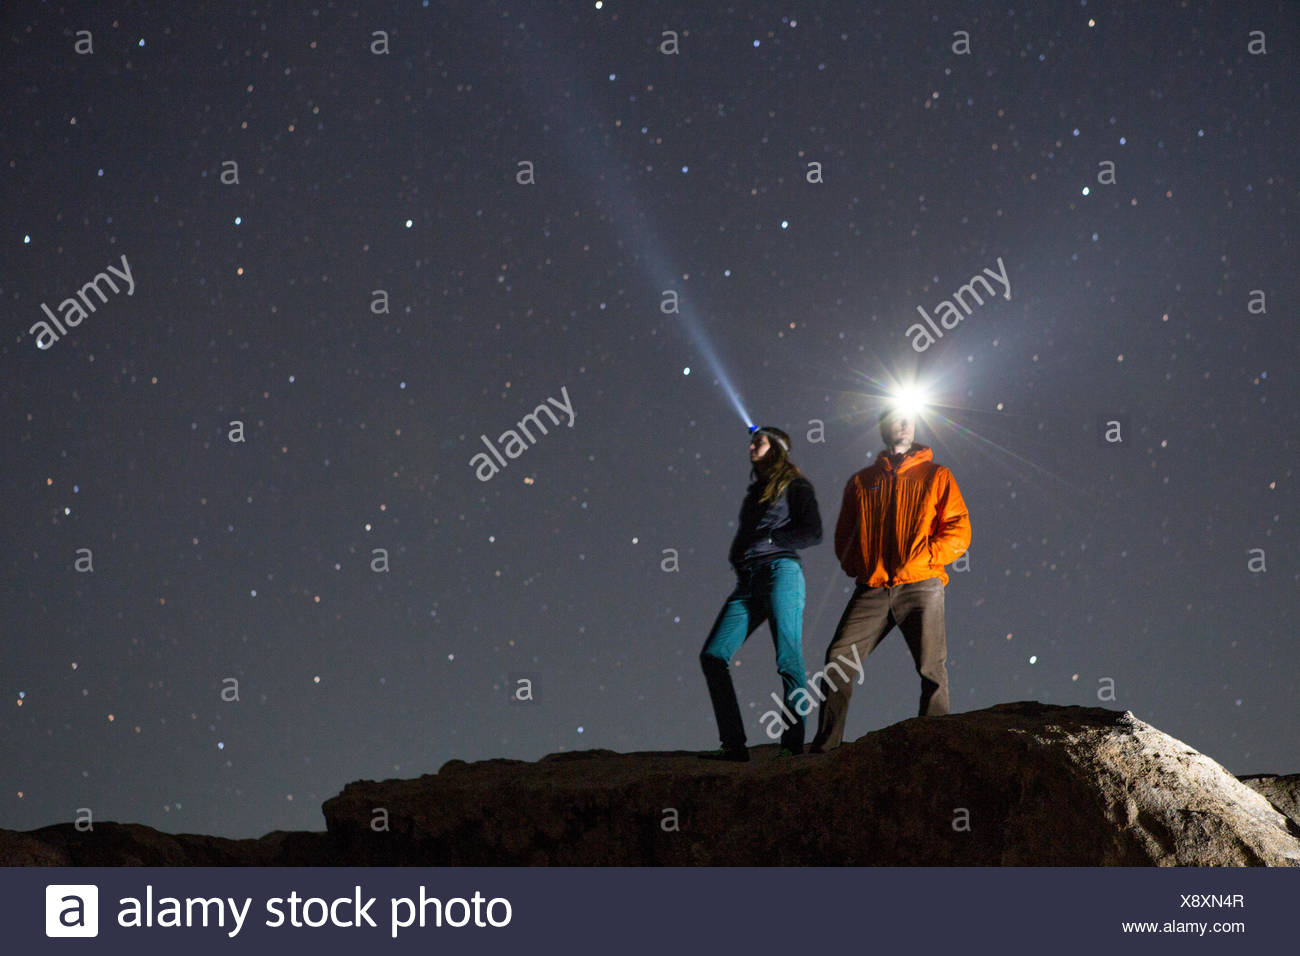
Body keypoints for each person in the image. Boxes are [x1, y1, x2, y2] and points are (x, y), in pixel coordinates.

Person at [809, 406, 971, 752]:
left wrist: (925, 558)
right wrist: (860, 567)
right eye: (896, 418)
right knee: (839, 658)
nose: (904, 424)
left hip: (921, 585)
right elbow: (845, 536)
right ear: (883, 427)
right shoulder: (861, 481)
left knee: (931, 667)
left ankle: (934, 747)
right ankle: (825, 748)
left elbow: (959, 529)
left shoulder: (937, 474)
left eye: (909, 418)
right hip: (873, 588)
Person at [700, 426, 823, 761]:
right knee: (713, 656)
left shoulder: (795, 485)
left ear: (776, 449)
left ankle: (792, 744)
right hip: (749, 583)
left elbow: (813, 531)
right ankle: (734, 745)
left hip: (781, 573)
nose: (752, 446)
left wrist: (774, 540)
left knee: (788, 657)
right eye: (752, 441)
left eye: (760, 441)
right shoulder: (754, 494)